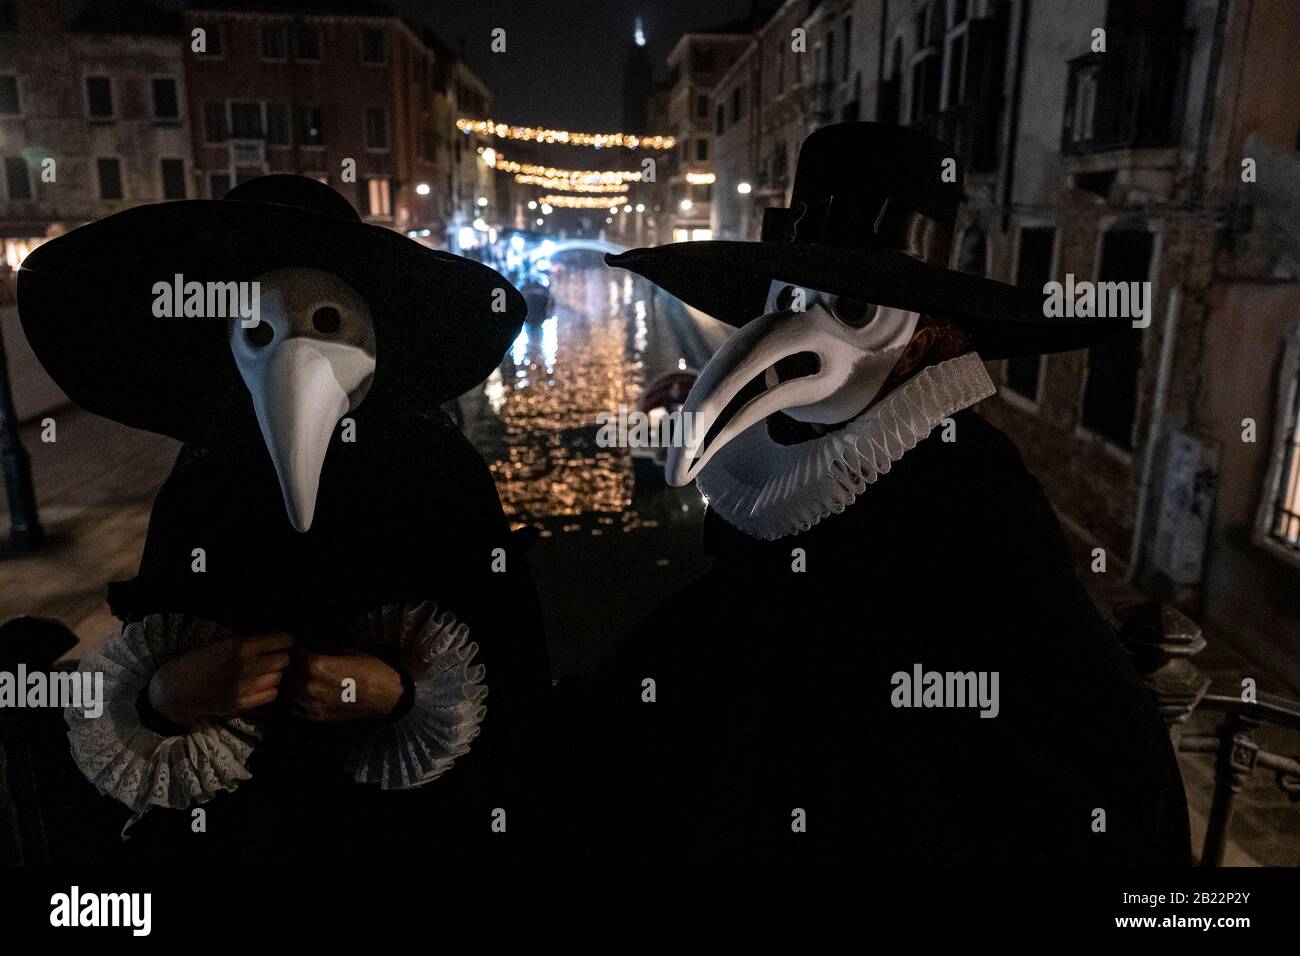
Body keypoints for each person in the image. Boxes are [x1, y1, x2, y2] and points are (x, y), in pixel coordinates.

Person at [590, 122, 1190, 865]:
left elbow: (1101, 743)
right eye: (792, 298)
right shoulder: (792, 452)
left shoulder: (971, 487)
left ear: (927, 336)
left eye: (851, 308)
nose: (796, 326)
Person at [17, 175, 551, 864]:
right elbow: (159, 630)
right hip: (251, 838)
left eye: (325, 322)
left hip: (411, 839)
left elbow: (511, 663)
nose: (294, 357)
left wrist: (401, 695)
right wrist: (169, 694)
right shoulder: (206, 482)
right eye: (260, 331)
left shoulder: (440, 475)